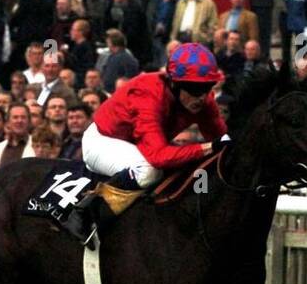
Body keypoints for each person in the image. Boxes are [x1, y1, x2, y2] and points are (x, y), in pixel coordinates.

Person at [78, 43, 226, 228]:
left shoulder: (205, 101)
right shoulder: (147, 95)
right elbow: (158, 157)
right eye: (194, 89)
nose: (202, 97)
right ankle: (88, 212)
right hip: (102, 141)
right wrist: (207, 147)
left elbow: (222, 140)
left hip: (137, 146)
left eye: (208, 87)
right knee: (149, 171)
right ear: (174, 83)